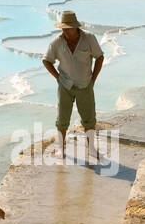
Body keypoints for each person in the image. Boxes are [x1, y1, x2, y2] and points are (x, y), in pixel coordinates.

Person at [42, 10, 104, 161]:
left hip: (85, 85)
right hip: (65, 86)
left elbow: (100, 57)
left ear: (75, 27)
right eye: (63, 28)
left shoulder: (89, 39)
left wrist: (93, 80)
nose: (65, 30)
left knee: (89, 119)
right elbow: (46, 60)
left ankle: (91, 148)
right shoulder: (57, 42)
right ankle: (60, 148)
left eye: (68, 28)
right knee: (62, 119)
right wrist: (58, 78)